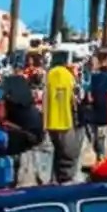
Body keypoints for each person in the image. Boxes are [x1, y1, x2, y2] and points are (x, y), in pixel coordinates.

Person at [0, 74, 45, 186]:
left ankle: (9, 180)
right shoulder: (28, 100)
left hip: (21, 136)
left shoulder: (8, 101)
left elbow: (1, 119)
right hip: (36, 135)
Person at [43, 52, 81, 184]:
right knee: (67, 152)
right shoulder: (69, 76)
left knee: (54, 152)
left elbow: (44, 98)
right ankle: (64, 179)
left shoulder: (48, 74)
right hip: (65, 121)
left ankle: (52, 178)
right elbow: (74, 100)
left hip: (50, 121)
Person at [85, 49, 107, 165]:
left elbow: (89, 96)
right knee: (103, 140)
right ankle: (102, 162)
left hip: (94, 114)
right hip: (104, 113)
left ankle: (98, 159)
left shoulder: (93, 77)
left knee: (96, 139)